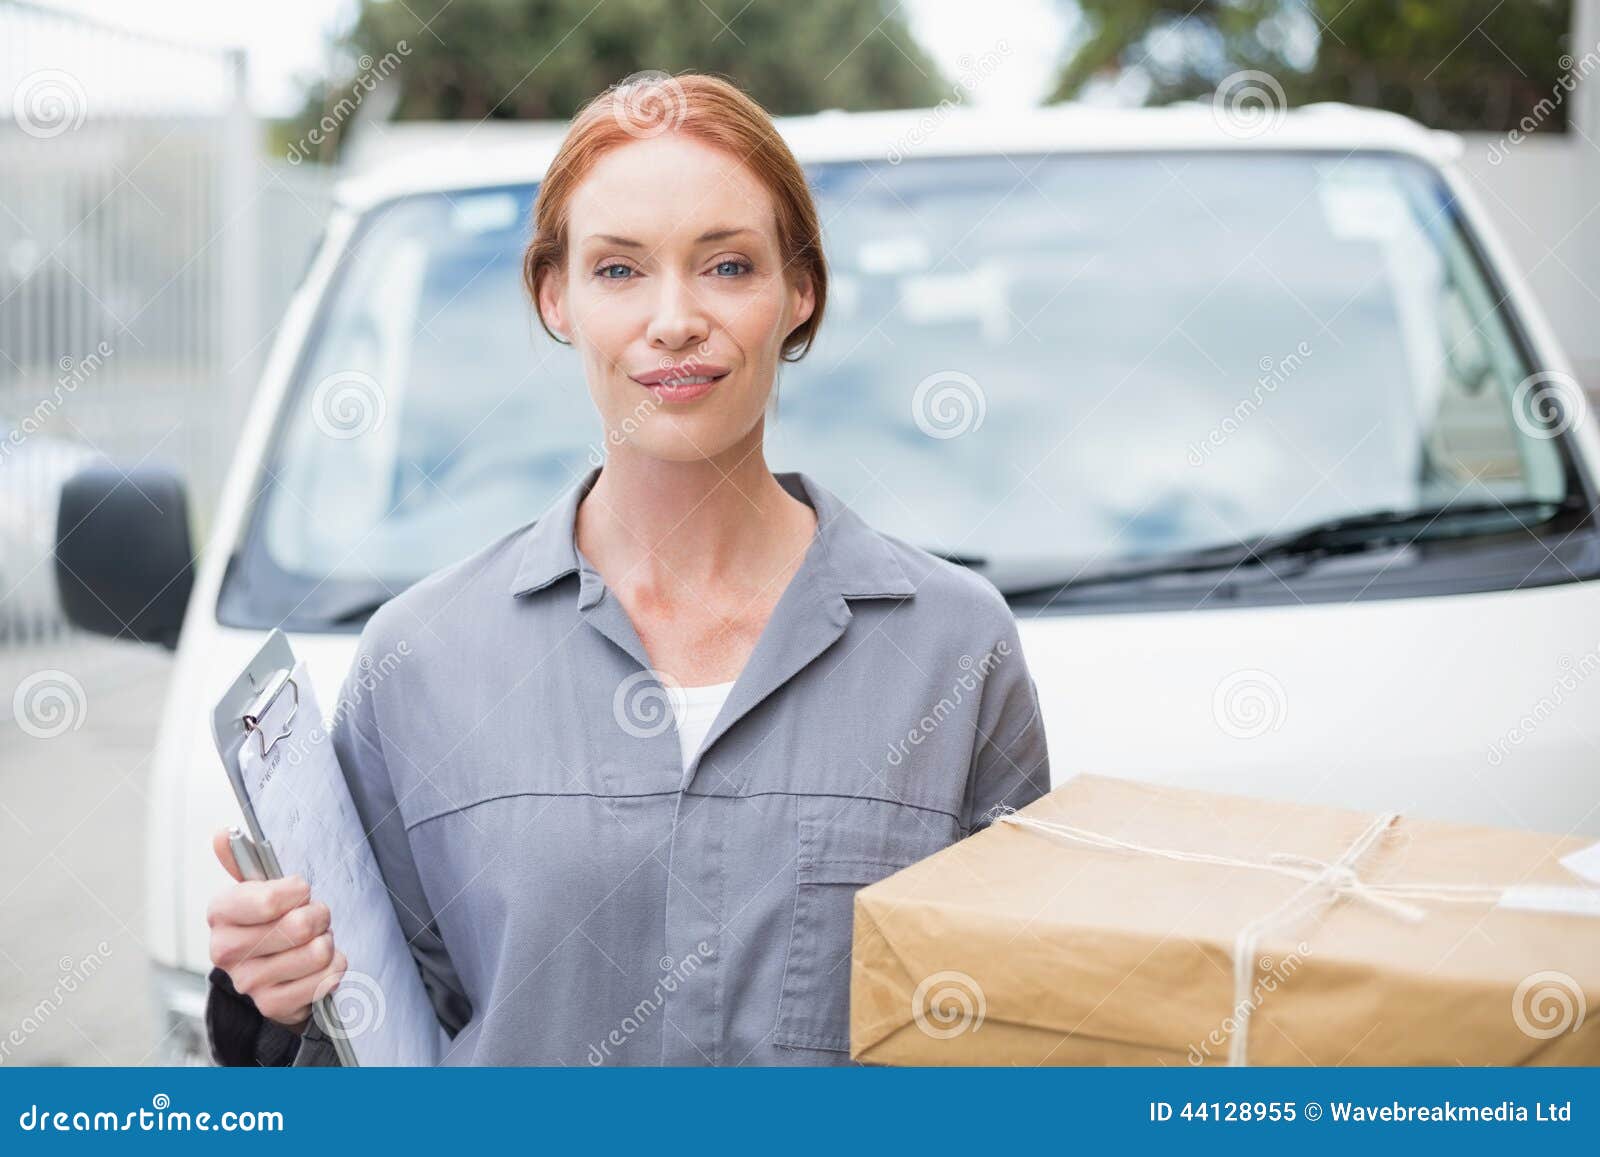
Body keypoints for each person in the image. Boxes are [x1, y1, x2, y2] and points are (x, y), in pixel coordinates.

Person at [205, 71, 1049, 1067]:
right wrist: (273, 997)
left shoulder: (954, 646)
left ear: (800, 290)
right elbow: (373, 1048)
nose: (676, 317)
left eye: (728, 265)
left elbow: (1021, 1032)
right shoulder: (417, 661)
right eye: (619, 270)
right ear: (553, 295)